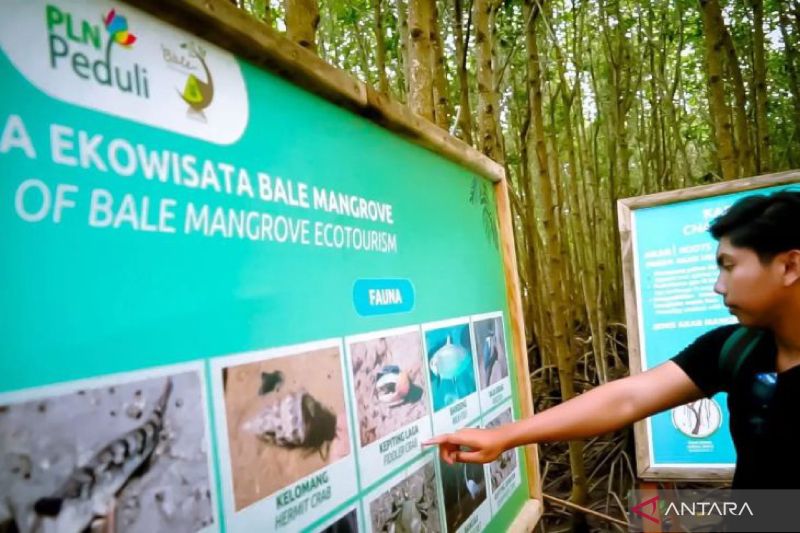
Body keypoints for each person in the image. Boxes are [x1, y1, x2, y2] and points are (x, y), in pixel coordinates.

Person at [424, 190, 800, 489]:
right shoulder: (735, 347)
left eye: (729, 266)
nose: (718, 286)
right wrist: (504, 436)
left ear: (789, 266)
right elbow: (627, 398)